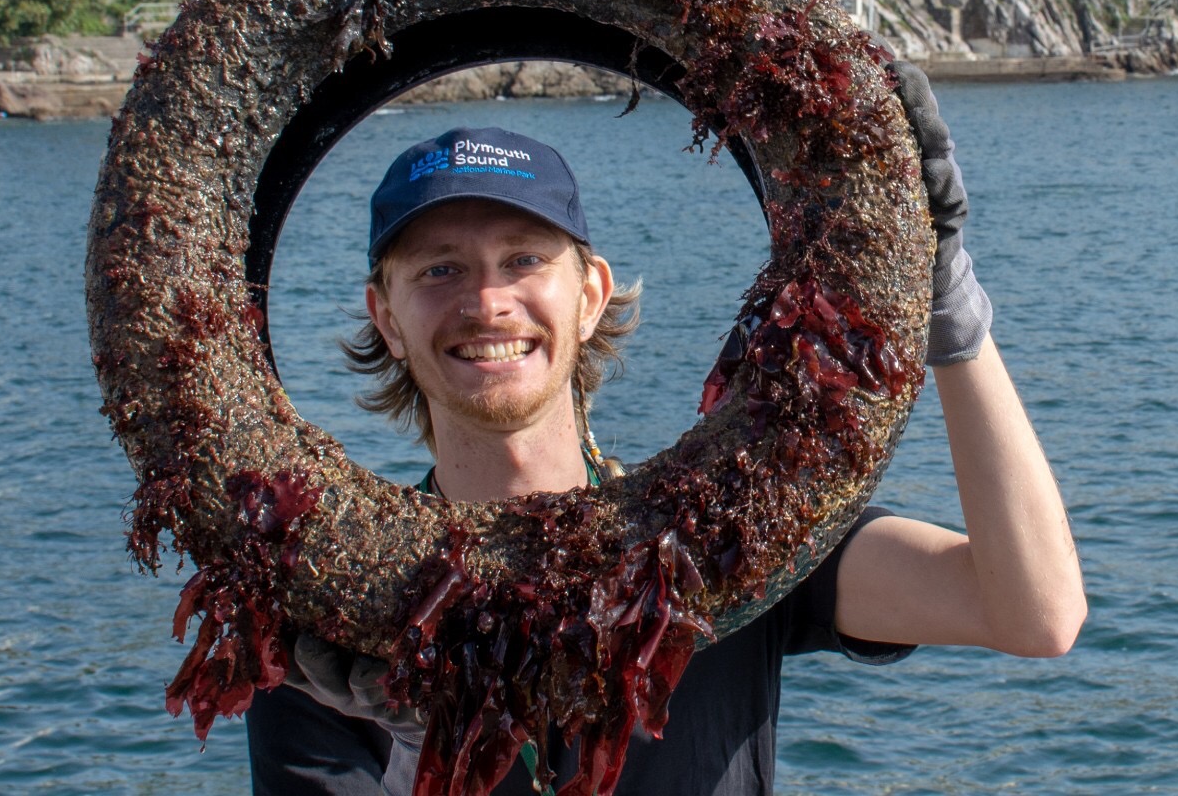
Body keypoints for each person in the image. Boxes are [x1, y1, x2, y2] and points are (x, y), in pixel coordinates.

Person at [246, 65, 1086, 795]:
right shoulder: (334, 619)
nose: (488, 300)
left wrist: (946, 306)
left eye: (524, 259)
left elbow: (1035, 613)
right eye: (439, 269)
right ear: (385, 317)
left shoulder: (719, 541)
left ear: (590, 293)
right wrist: (418, 752)